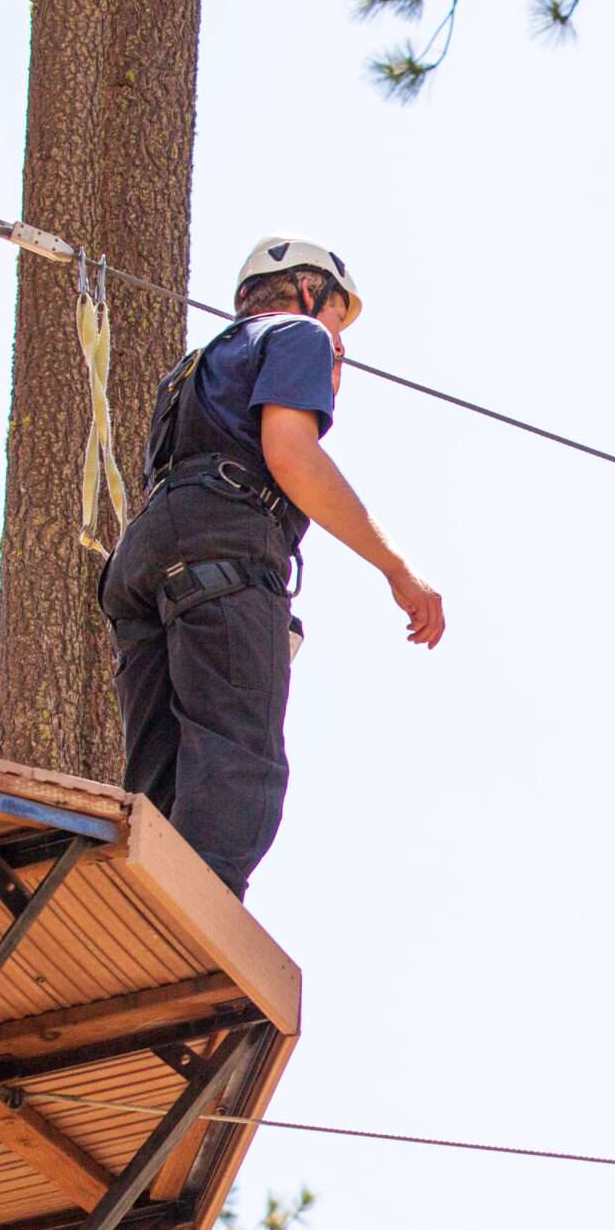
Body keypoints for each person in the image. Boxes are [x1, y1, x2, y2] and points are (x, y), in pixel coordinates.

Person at [100, 236, 446, 898]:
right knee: (236, 768)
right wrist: (396, 567)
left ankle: (129, 917)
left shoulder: (195, 367)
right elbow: (290, 454)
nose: (337, 347)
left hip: (143, 560)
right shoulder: (298, 334)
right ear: (311, 293)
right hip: (224, 545)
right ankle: (188, 929)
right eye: (337, 324)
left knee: (158, 786)